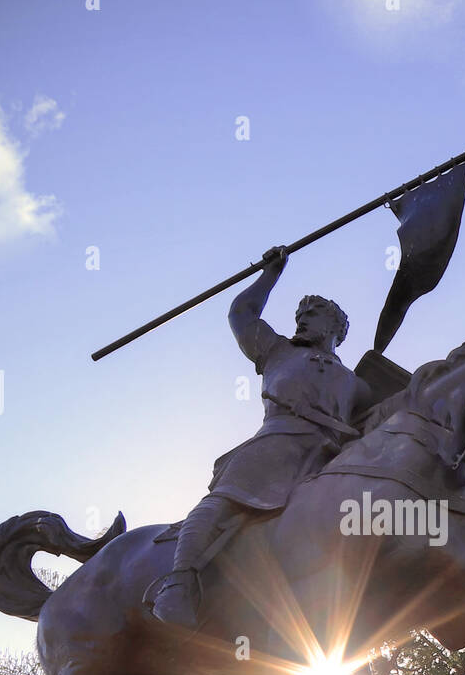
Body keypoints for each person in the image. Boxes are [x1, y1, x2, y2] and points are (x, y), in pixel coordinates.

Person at [148, 246, 374, 629]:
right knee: (219, 504)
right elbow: (242, 314)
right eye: (300, 315)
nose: (302, 321)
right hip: (274, 447)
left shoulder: (357, 383)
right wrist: (271, 274)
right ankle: (180, 581)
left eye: (313, 315)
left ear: (337, 327)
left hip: (327, 460)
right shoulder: (276, 350)